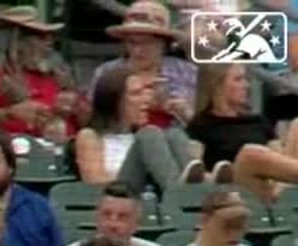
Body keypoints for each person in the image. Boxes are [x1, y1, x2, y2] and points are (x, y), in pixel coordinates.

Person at [73, 64, 203, 192]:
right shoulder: (90, 136)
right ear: (113, 99)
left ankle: (196, 186)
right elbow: (95, 181)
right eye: (136, 94)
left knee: (174, 134)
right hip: (117, 194)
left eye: (145, 92)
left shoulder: (139, 138)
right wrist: (145, 175)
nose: (146, 99)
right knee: (149, 134)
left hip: (150, 195)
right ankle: (179, 190)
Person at [0, 5, 80, 143]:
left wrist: (77, 108)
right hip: (8, 148)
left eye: (51, 35)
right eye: (40, 35)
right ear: (15, 41)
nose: (50, 41)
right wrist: (10, 113)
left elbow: (89, 121)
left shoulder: (59, 76)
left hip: (60, 148)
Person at [186, 63, 298, 204]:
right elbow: (195, 171)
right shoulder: (201, 125)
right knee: (250, 154)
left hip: (273, 186)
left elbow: (280, 160)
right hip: (237, 191)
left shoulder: (258, 121)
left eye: (245, 79)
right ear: (217, 86)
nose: (246, 85)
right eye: (238, 79)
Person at [87, 0, 197, 130]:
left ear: (164, 44)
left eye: (147, 43)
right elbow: (94, 120)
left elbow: (205, 125)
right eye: (132, 43)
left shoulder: (187, 73)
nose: (138, 50)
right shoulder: (107, 72)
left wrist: (182, 111)